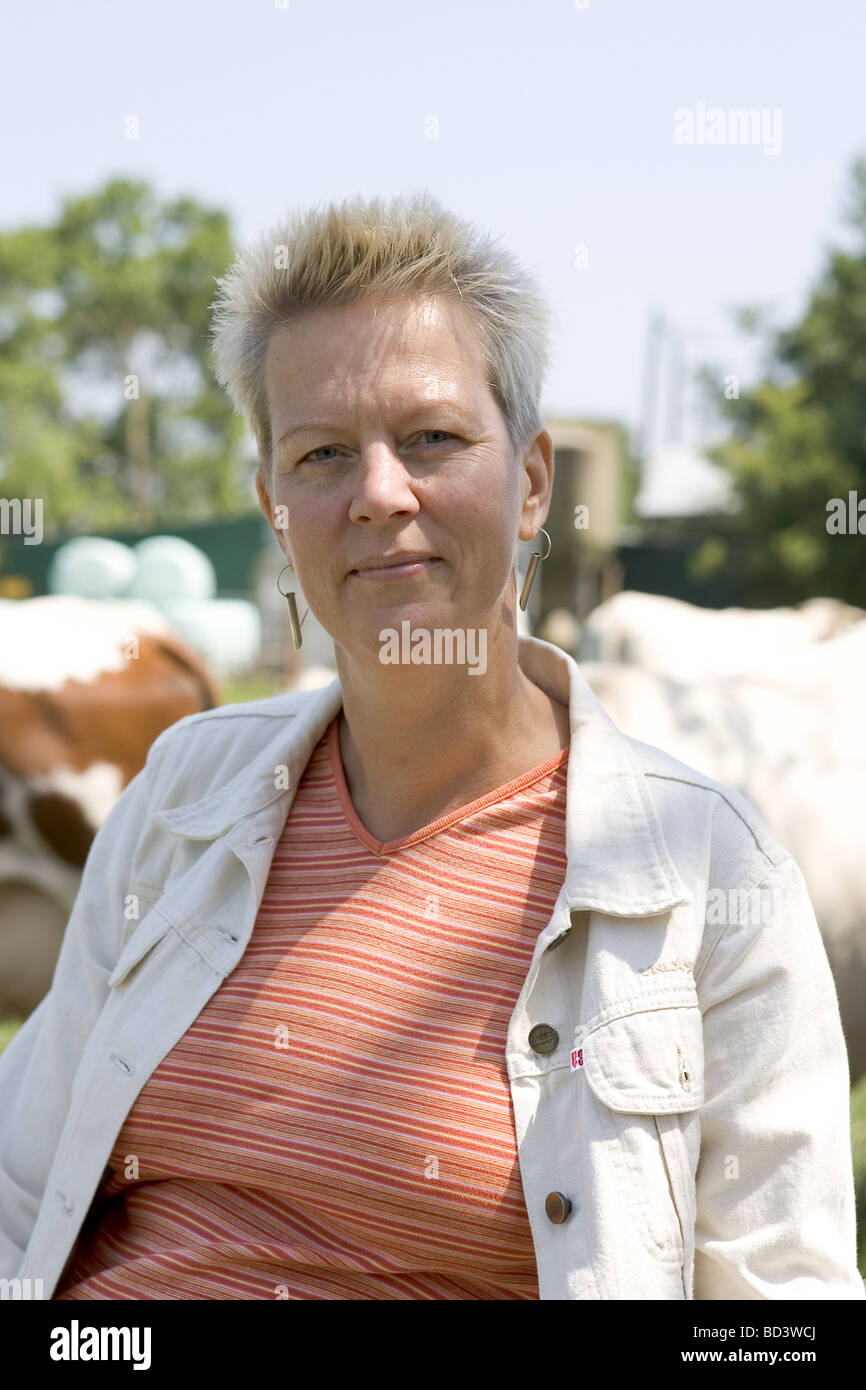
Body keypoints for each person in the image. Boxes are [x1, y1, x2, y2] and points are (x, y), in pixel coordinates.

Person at [0, 191, 862, 1301]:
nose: (377, 493)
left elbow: (779, 1309)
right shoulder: (184, 791)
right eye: (319, 455)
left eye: (432, 439)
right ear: (271, 505)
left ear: (533, 484)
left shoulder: (703, 874)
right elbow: (19, 1184)